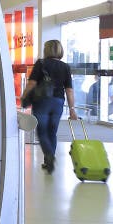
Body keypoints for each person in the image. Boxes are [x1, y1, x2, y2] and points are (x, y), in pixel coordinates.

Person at [23, 40, 77, 174]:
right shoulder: (65, 67)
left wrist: (24, 96)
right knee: (52, 132)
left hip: (42, 101)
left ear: (46, 50)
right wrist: (72, 109)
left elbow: (32, 83)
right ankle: (49, 161)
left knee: (42, 131)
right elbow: (69, 90)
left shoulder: (41, 63)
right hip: (58, 102)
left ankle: (49, 156)